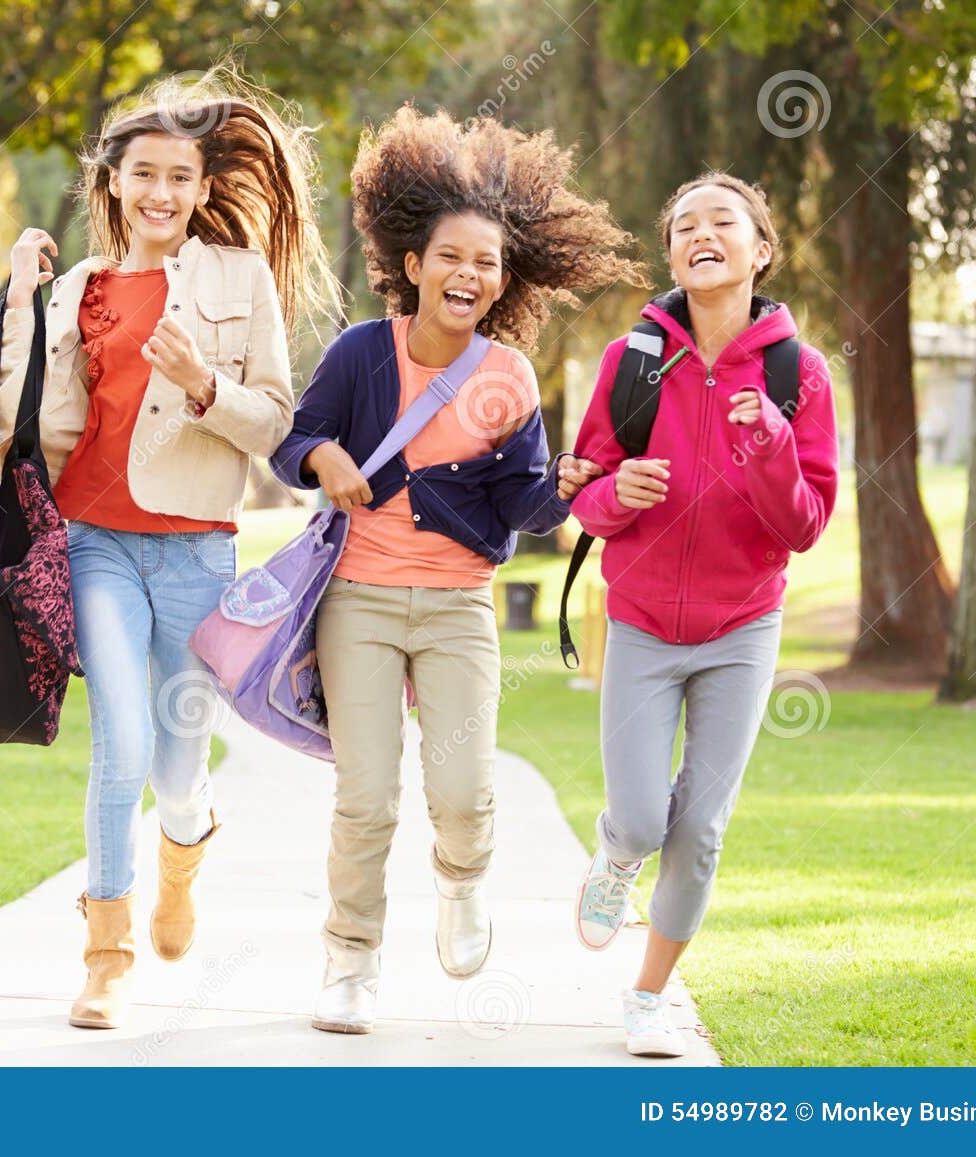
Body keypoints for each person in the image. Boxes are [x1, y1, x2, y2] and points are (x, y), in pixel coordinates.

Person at [270, 106, 643, 1034]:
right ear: (412, 266)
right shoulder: (363, 352)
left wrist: (560, 487)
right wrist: (323, 463)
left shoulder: (510, 377)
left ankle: (461, 882)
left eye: (486, 262)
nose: (468, 274)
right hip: (356, 599)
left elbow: (524, 508)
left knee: (464, 789)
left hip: (457, 607)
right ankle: (350, 960)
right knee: (365, 793)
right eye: (451, 257)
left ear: (502, 280)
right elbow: (295, 439)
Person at [0, 71, 340, 1029]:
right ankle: (106, 955)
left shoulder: (240, 280)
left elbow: (274, 422)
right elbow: (19, 418)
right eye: (141, 173)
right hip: (94, 541)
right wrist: (19, 305)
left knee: (179, 767)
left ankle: (184, 852)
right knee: (122, 746)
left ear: (198, 187)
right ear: (112, 181)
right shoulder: (78, 290)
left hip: (195, 550)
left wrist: (200, 384)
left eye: (178, 178)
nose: (160, 193)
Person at [569, 172, 839, 1057]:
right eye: (683, 224)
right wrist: (619, 490)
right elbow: (587, 498)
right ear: (674, 254)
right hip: (642, 618)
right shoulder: (631, 361)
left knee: (703, 829)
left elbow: (804, 524)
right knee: (646, 819)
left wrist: (766, 442)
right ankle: (615, 855)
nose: (700, 233)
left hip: (743, 626)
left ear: (760, 249)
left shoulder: (800, 375)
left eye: (722, 220)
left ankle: (648, 995)